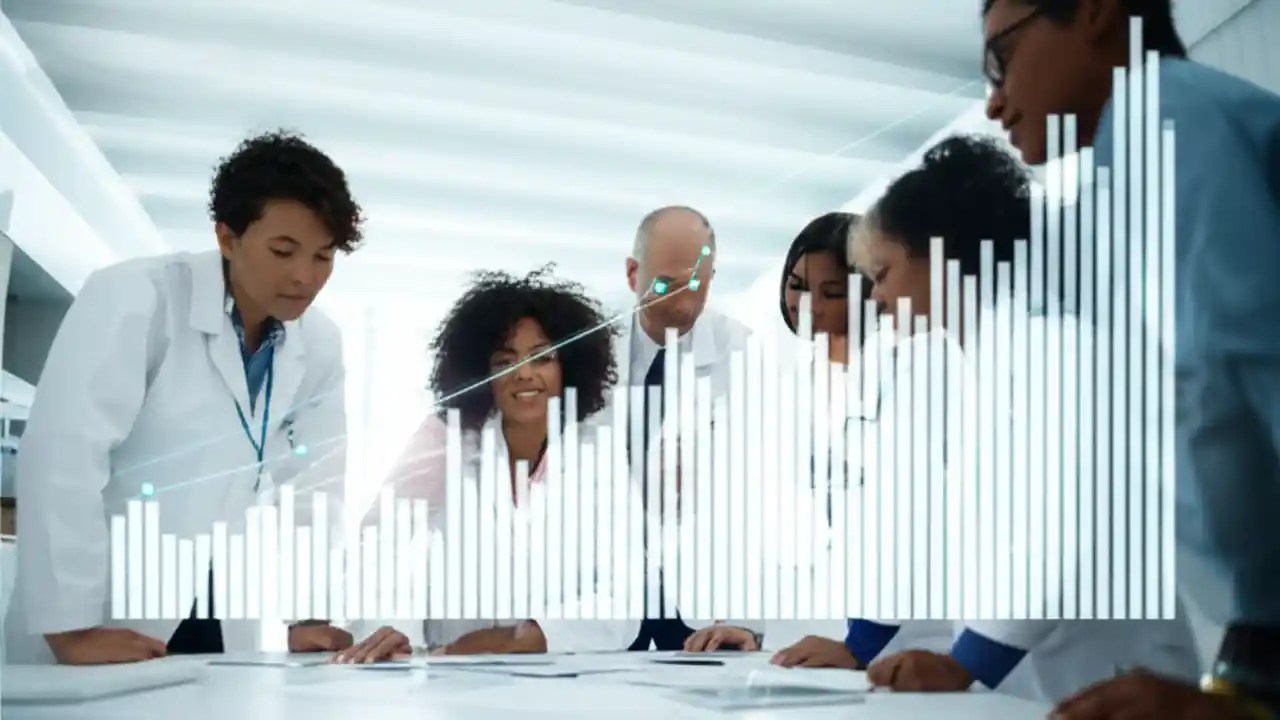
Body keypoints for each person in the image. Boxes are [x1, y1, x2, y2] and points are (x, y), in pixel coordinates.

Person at [774, 135, 1199, 704]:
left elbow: (1062, 520)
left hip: (1116, 676)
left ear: (941, 255)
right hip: (1031, 676)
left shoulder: (1054, 349)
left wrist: (970, 659)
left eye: (885, 272)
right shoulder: (972, 360)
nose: (877, 295)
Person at [981, 0, 1280, 716]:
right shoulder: (1135, 150)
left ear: (1095, 11)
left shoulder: (1167, 113)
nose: (994, 101)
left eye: (1002, 59)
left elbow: (1246, 372)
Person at [5, 130, 362, 664]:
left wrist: (309, 613)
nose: (305, 277)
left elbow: (314, 482)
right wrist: (71, 626)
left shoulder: (319, 343)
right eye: (283, 251)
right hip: (110, 603)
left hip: (221, 607)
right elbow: (65, 455)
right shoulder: (139, 297)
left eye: (324, 256)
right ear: (227, 237)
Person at [336, 268, 630, 662]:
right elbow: (379, 543)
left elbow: (623, 587)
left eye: (542, 358)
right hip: (454, 668)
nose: (523, 374)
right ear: (482, 374)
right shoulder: (447, 438)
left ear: (568, 368)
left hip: (565, 670)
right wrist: (390, 629)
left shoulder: (597, 450)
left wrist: (532, 636)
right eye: (504, 361)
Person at [615, 205, 759, 653]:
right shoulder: (589, 352)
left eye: (697, 284)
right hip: (610, 587)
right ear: (632, 273)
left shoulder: (743, 354)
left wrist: (743, 617)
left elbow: (757, 494)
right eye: (665, 285)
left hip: (701, 596)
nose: (682, 302)